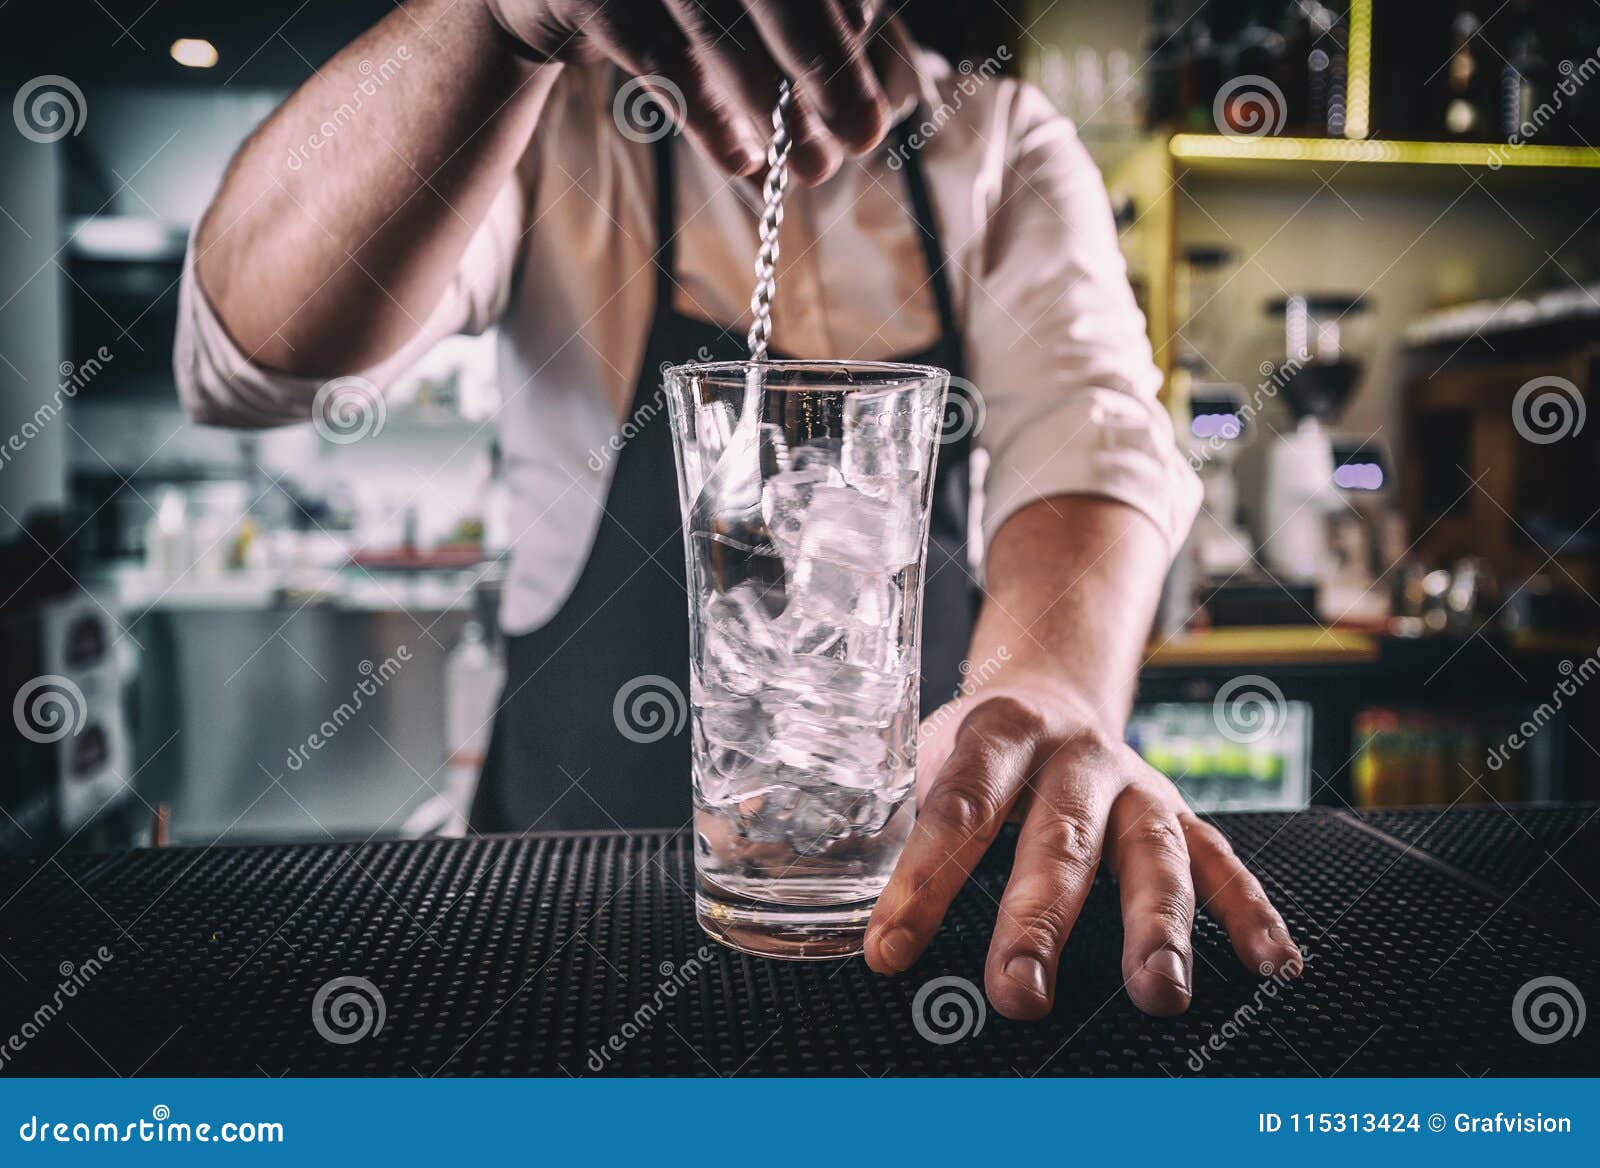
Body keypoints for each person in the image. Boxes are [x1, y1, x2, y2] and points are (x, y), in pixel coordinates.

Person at [175, 0, 1302, 1021]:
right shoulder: (550, 117)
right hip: (563, 907)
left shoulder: (995, 136)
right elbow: (248, 358)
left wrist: (1047, 683)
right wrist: (492, 24)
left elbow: (1090, 436)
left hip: (902, 915)